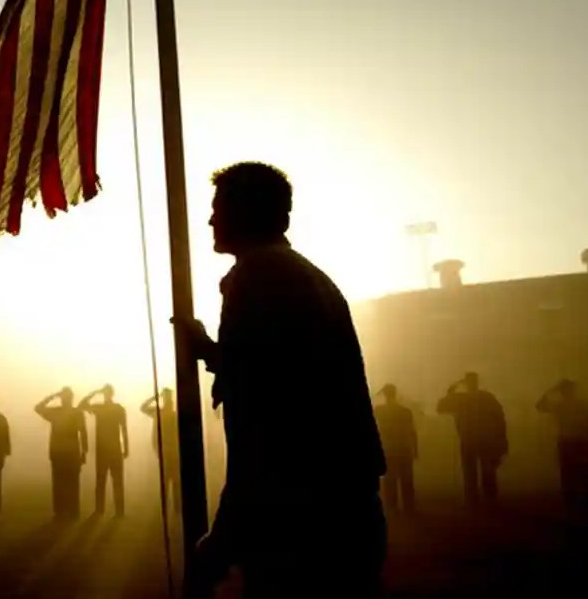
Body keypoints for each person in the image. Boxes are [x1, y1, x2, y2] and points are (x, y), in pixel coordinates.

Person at [173, 162, 387, 597]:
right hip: (342, 503)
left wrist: (224, 537)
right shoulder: (300, 275)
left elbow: (268, 419)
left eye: (220, 208)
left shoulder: (258, 276)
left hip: (302, 520)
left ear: (248, 213)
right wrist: (211, 351)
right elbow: (276, 370)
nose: (211, 219)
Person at [437, 372, 508, 512]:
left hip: (468, 438)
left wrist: (450, 391)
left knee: (470, 472)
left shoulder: (460, 398)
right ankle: (490, 501)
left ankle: (473, 501)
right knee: (487, 471)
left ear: (466, 383)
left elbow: (441, 408)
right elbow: (500, 419)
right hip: (485, 438)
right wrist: (502, 439)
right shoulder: (487, 397)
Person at [536, 380, 588, 513]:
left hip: (575, 441)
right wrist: (550, 392)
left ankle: (580, 500)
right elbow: (539, 407)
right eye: (566, 390)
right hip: (570, 441)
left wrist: (550, 391)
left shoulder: (572, 405)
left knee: (579, 471)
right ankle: (577, 500)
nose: (568, 392)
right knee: (573, 471)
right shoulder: (564, 406)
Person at [35, 387, 88, 520]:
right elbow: (83, 433)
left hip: (63, 451)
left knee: (64, 482)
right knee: (68, 482)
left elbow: (39, 408)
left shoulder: (59, 412)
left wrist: (52, 396)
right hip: (66, 451)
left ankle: (64, 511)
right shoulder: (74, 413)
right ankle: (69, 511)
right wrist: (84, 452)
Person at [80, 384, 129, 517]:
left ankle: (101, 509)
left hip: (105, 449)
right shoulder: (117, 409)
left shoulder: (100, 408)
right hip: (112, 448)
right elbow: (124, 429)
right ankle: (118, 511)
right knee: (114, 481)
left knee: (102, 480)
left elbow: (82, 404)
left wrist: (95, 392)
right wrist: (126, 448)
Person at [374, 384, 418, 515]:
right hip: (404, 448)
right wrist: (415, 449)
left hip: (388, 448)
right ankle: (408, 506)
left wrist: (376, 395)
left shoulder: (380, 410)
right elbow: (412, 431)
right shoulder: (405, 411)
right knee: (407, 479)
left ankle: (392, 507)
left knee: (389, 480)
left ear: (385, 395)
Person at [141, 388, 181, 514]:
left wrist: (156, 397)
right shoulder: (168, 414)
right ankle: (175, 508)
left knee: (169, 480)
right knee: (174, 480)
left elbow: (143, 407)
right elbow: (142, 408)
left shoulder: (160, 413)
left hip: (166, 451)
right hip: (170, 451)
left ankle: (170, 507)